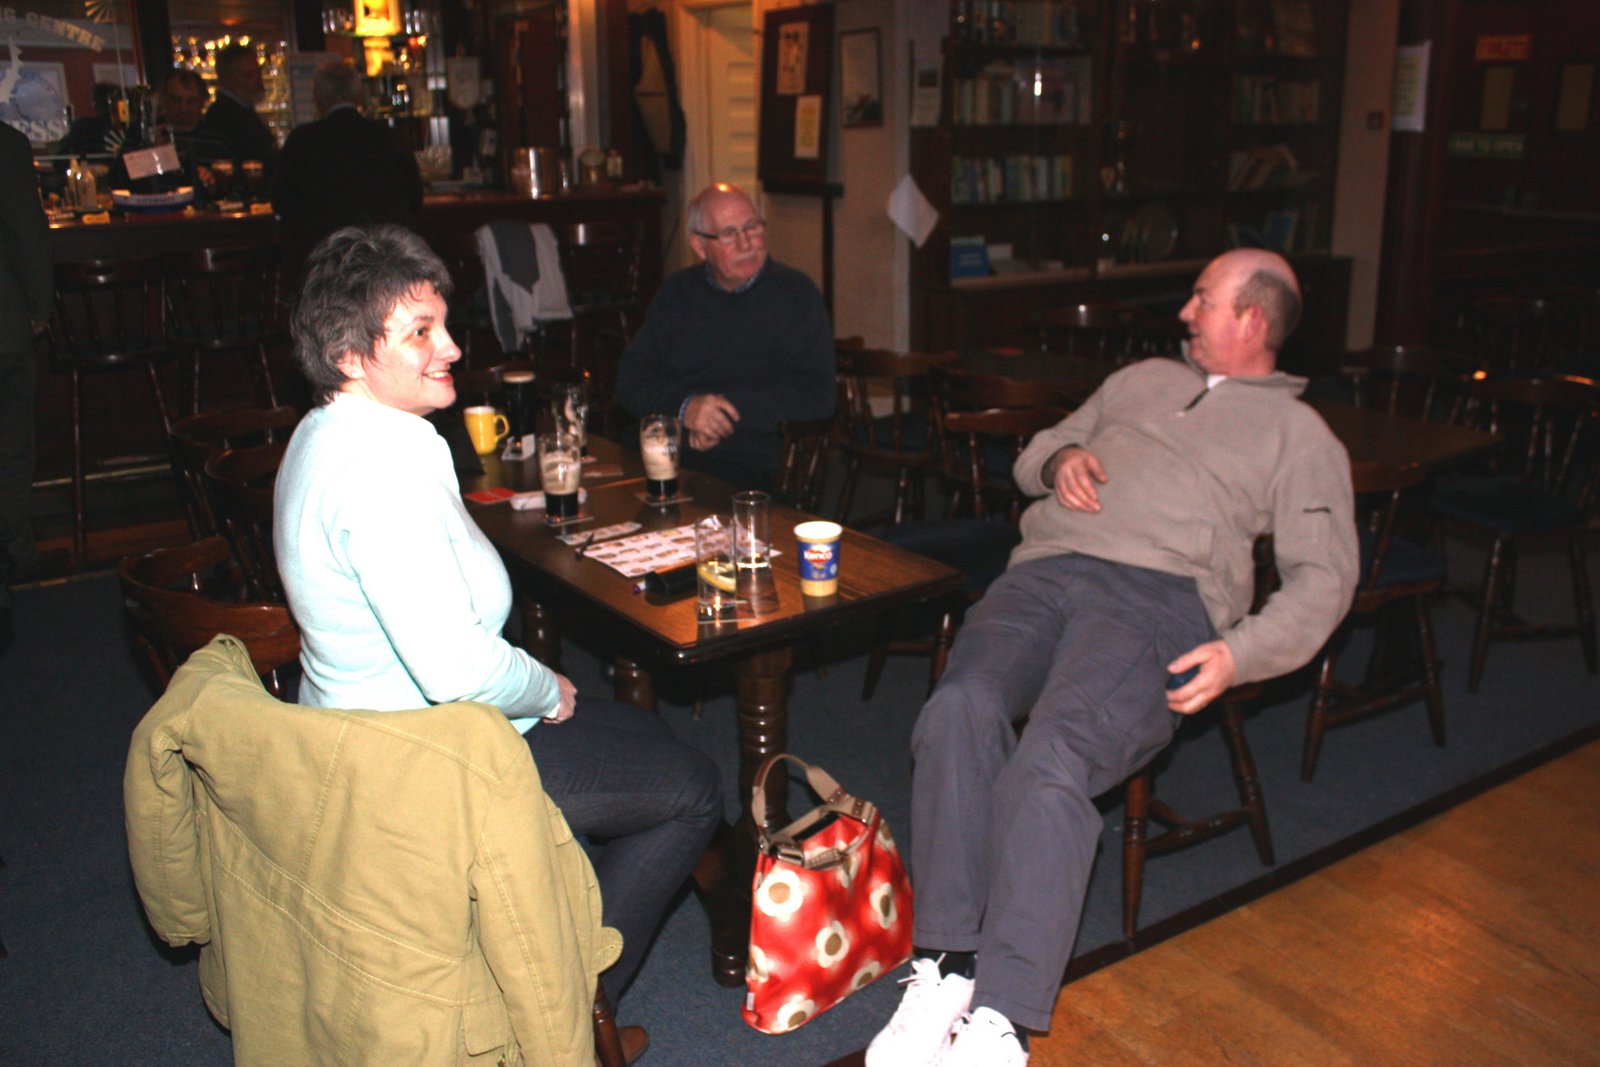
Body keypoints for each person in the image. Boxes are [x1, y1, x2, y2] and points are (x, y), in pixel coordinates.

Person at [867, 248, 1359, 1067]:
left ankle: (1002, 1019)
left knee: (1052, 757)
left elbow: (1326, 577)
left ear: (1252, 319)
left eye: (1202, 299)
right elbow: (1037, 450)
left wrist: (1243, 653)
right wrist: (1060, 461)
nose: (1184, 313)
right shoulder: (1140, 380)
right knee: (956, 708)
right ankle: (946, 964)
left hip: (1159, 601)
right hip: (1045, 572)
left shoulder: (1299, 434)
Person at [272, 225, 722, 1016]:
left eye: (443, 323)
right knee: (692, 788)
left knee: (650, 738)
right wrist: (544, 688)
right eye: (420, 333)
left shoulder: (330, 431)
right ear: (350, 356)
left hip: (377, 732)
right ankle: (557, 1006)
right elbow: (454, 667)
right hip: (421, 762)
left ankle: (531, 912)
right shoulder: (379, 474)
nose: (449, 345)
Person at [614, 182, 835, 489]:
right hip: (670, 447)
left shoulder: (797, 295)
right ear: (699, 246)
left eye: (752, 227)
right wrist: (686, 408)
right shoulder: (678, 293)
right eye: (729, 234)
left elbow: (818, 395)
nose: (746, 244)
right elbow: (630, 378)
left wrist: (722, 416)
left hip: (748, 457)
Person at [272, 60, 422, 257]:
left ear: (318, 96)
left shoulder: (302, 140)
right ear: (359, 95)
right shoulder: (388, 136)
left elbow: (282, 203)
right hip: (388, 254)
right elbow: (415, 199)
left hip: (327, 257)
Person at [0, 121, 52, 650]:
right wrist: (40, 305)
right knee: (11, 446)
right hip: (3, 329)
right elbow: (25, 230)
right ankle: (15, 550)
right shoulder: (6, 144)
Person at [199, 43, 278, 173]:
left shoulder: (243, 109)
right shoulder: (223, 115)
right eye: (248, 75)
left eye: (258, 72)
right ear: (228, 80)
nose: (258, 80)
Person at [158, 68, 228, 192]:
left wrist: (213, 184)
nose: (183, 108)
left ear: (202, 103)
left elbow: (233, 192)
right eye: (176, 100)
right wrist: (150, 151)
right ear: (165, 100)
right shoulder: (146, 133)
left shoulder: (218, 139)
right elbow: (117, 182)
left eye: (191, 101)